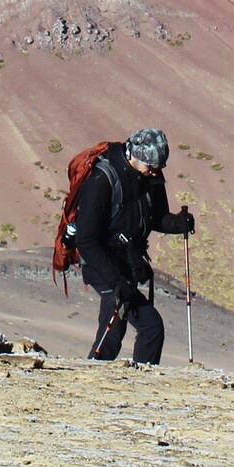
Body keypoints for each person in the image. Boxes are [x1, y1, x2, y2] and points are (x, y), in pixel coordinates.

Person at [76, 127, 194, 364]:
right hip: (102, 264)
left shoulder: (151, 177)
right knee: (135, 325)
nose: (154, 173)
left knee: (132, 326)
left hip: (128, 262)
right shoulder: (102, 180)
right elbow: (86, 241)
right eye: (150, 167)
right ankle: (98, 377)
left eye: (158, 168)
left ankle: (121, 376)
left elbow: (155, 217)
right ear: (134, 156)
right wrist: (115, 281)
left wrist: (177, 223)